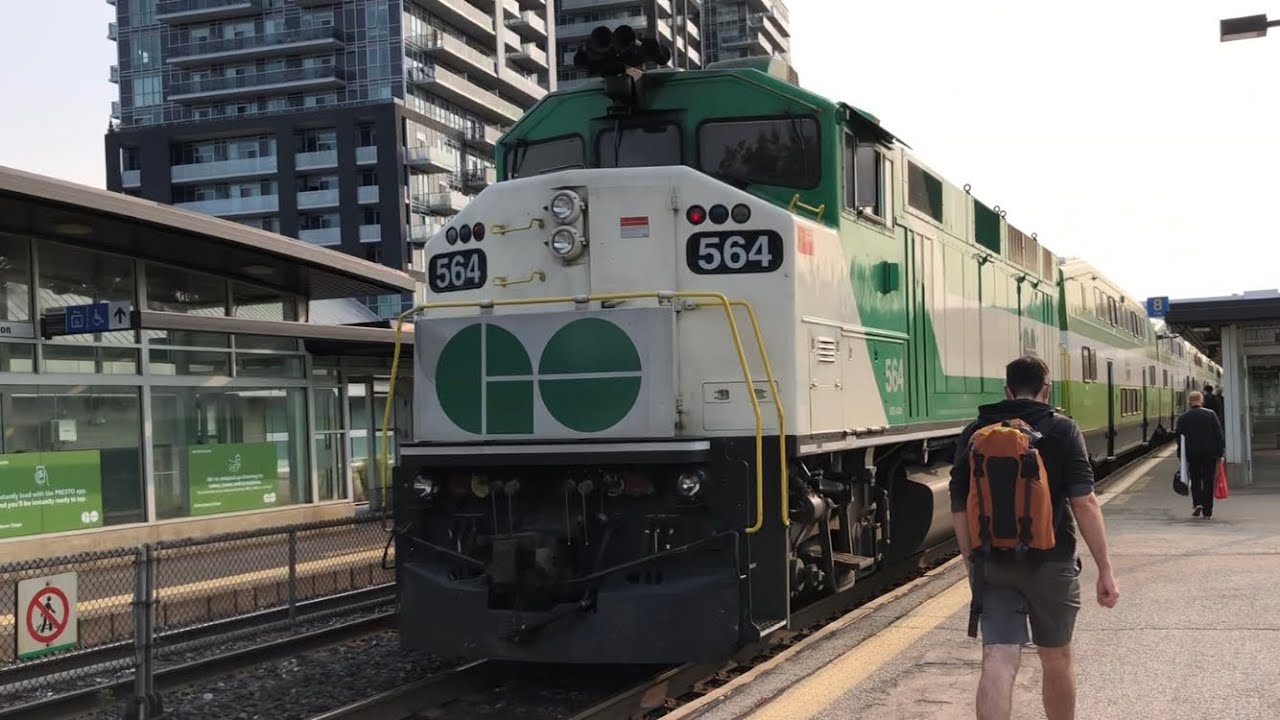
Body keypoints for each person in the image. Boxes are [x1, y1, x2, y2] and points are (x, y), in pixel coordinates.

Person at [950, 356, 1119, 720]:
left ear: (1007, 390)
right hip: (1052, 561)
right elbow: (1084, 503)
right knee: (1056, 657)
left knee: (998, 657)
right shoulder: (1063, 429)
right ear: (1047, 389)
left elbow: (960, 508)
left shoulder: (974, 433)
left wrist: (971, 563)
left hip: (992, 563)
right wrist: (1105, 568)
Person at [1176, 391, 1225, 519]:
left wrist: (1181, 457)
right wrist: (1220, 454)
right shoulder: (1210, 414)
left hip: (1192, 454)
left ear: (1189, 402)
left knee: (1195, 479)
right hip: (1210, 453)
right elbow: (1219, 436)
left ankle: (1197, 503)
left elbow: (1179, 439)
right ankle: (1207, 512)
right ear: (1201, 400)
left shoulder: (1183, 417)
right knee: (1208, 480)